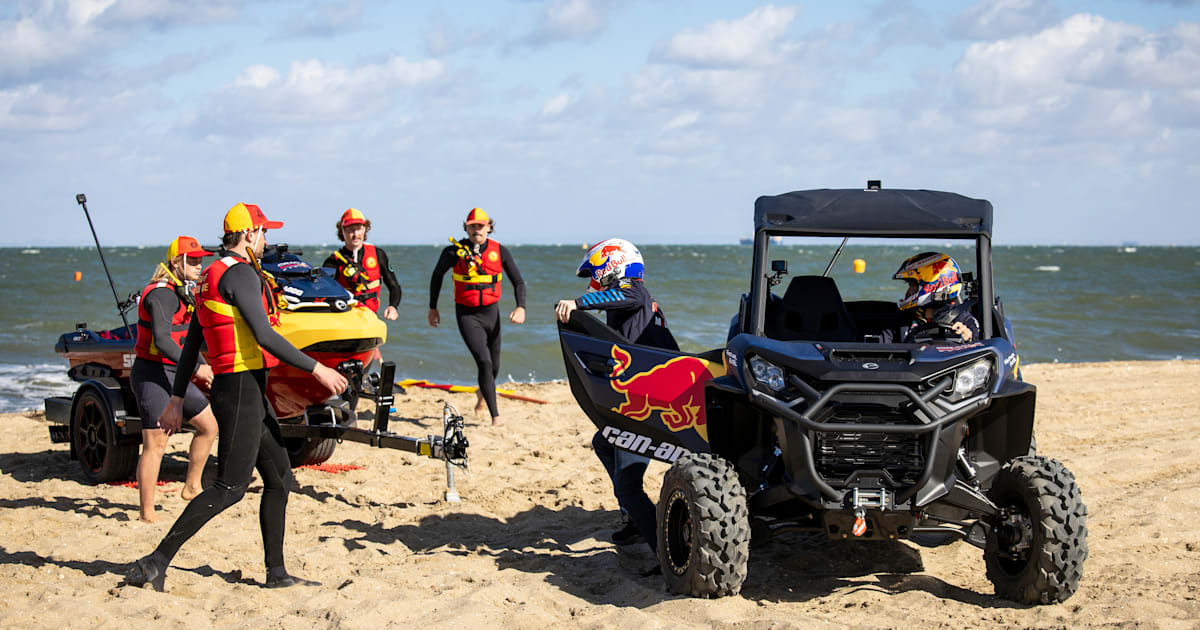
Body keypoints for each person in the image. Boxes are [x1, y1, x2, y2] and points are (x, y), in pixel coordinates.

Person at [126, 203, 348, 591]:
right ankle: (156, 561)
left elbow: (194, 339)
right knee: (229, 487)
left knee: (279, 478)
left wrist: (178, 398)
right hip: (241, 387)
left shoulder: (211, 274)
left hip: (243, 389)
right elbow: (264, 335)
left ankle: (276, 573)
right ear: (249, 235)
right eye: (264, 233)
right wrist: (318, 369)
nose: (266, 241)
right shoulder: (241, 273)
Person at [555, 238, 674, 564]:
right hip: (653, 398)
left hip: (650, 405)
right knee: (604, 443)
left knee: (628, 485)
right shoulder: (637, 304)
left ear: (614, 265)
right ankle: (636, 521)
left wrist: (579, 303)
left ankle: (665, 554)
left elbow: (620, 294)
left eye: (598, 273)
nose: (597, 280)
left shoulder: (634, 291)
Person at [131, 236, 218, 523]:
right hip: (152, 373)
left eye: (200, 260)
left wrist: (203, 364)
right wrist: (196, 370)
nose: (198, 265)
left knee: (208, 426)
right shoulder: (162, 294)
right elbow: (164, 341)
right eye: (192, 260)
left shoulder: (186, 292)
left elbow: (188, 340)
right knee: (156, 444)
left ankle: (192, 487)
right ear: (175, 263)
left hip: (176, 371)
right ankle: (147, 512)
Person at [428, 207, 526, 426]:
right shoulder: (453, 251)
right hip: (467, 315)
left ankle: (482, 393)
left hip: (492, 314)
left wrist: (521, 307)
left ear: (488, 227)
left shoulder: (499, 251)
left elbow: (518, 281)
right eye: (472, 226)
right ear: (466, 228)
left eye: (480, 226)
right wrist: (432, 307)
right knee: (484, 361)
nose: (476, 230)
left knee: (494, 366)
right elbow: (436, 276)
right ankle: (496, 416)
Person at [883, 252, 980, 343]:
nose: (908, 292)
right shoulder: (901, 319)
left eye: (912, 285)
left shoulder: (963, 319)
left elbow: (981, 350)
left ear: (933, 285)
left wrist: (968, 339)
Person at [322, 208, 401, 320]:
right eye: (350, 230)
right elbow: (322, 293)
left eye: (359, 229)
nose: (355, 234)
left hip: (370, 320)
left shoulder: (378, 254)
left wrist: (393, 307)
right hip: (344, 320)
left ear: (364, 229)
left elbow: (394, 286)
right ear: (342, 231)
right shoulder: (333, 262)